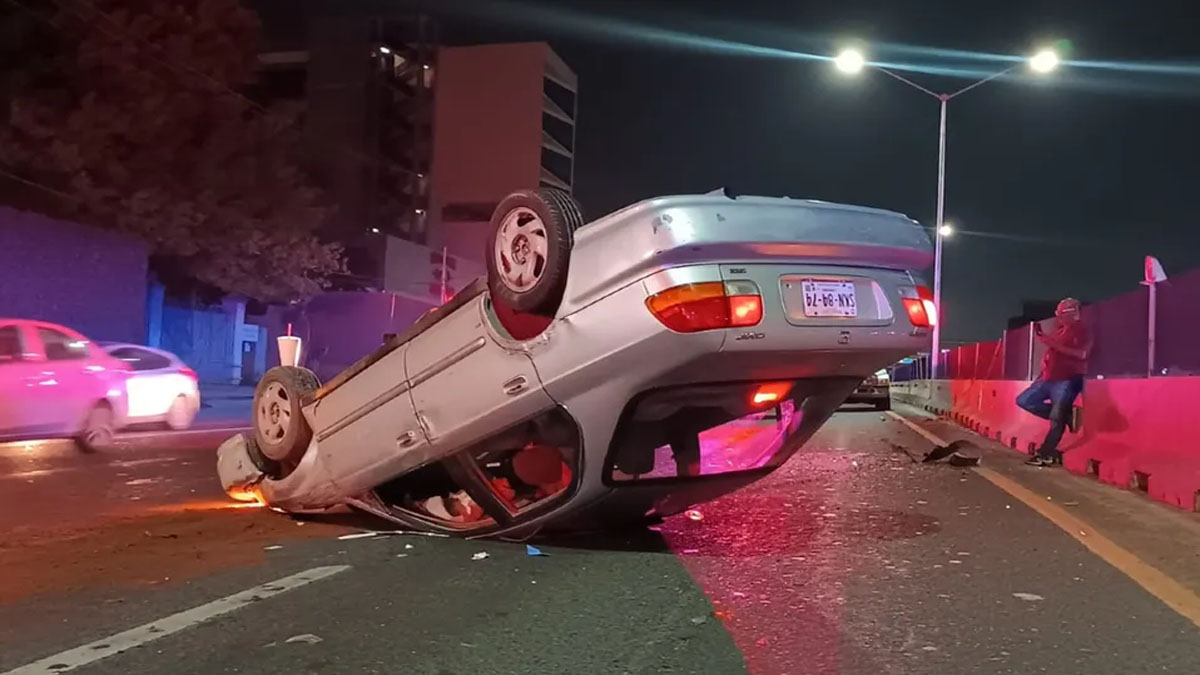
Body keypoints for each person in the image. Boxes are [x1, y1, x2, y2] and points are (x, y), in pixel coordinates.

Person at [1018, 298, 1092, 466]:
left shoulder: (1082, 329)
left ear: (1070, 313)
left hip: (1065, 379)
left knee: (1056, 419)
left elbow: (1083, 354)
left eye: (1061, 313)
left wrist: (1052, 344)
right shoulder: (1061, 330)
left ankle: (1045, 454)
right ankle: (1066, 415)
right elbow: (1053, 351)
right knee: (1024, 401)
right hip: (1048, 378)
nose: (1058, 317)